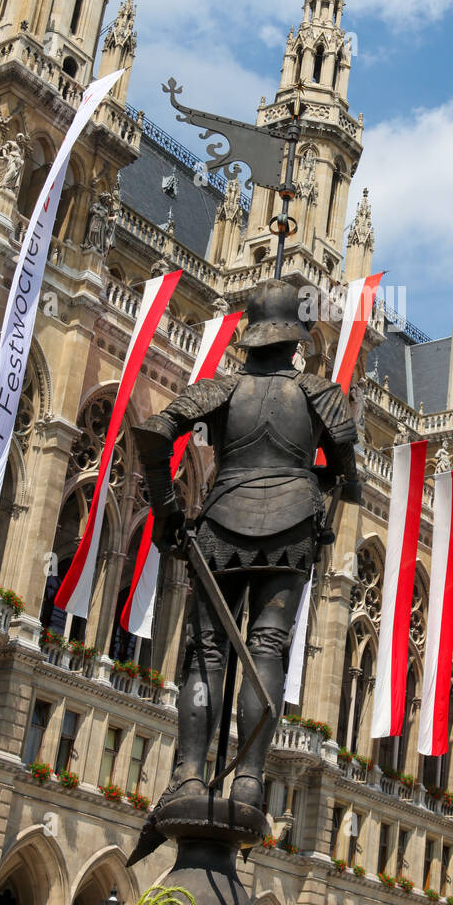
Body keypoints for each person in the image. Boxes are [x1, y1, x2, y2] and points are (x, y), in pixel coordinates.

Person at [130, 280, 361, 858]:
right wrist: (314, 479)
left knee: (206, 653)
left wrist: (167, 512)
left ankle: (188, 774)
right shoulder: (320, 394)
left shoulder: (220, 390)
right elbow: (349, 475)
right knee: (267, 648)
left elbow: (154, 434)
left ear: (250, 338)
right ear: (295, 341)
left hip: (220, 525)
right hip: (290, 529)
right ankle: (250, 781)